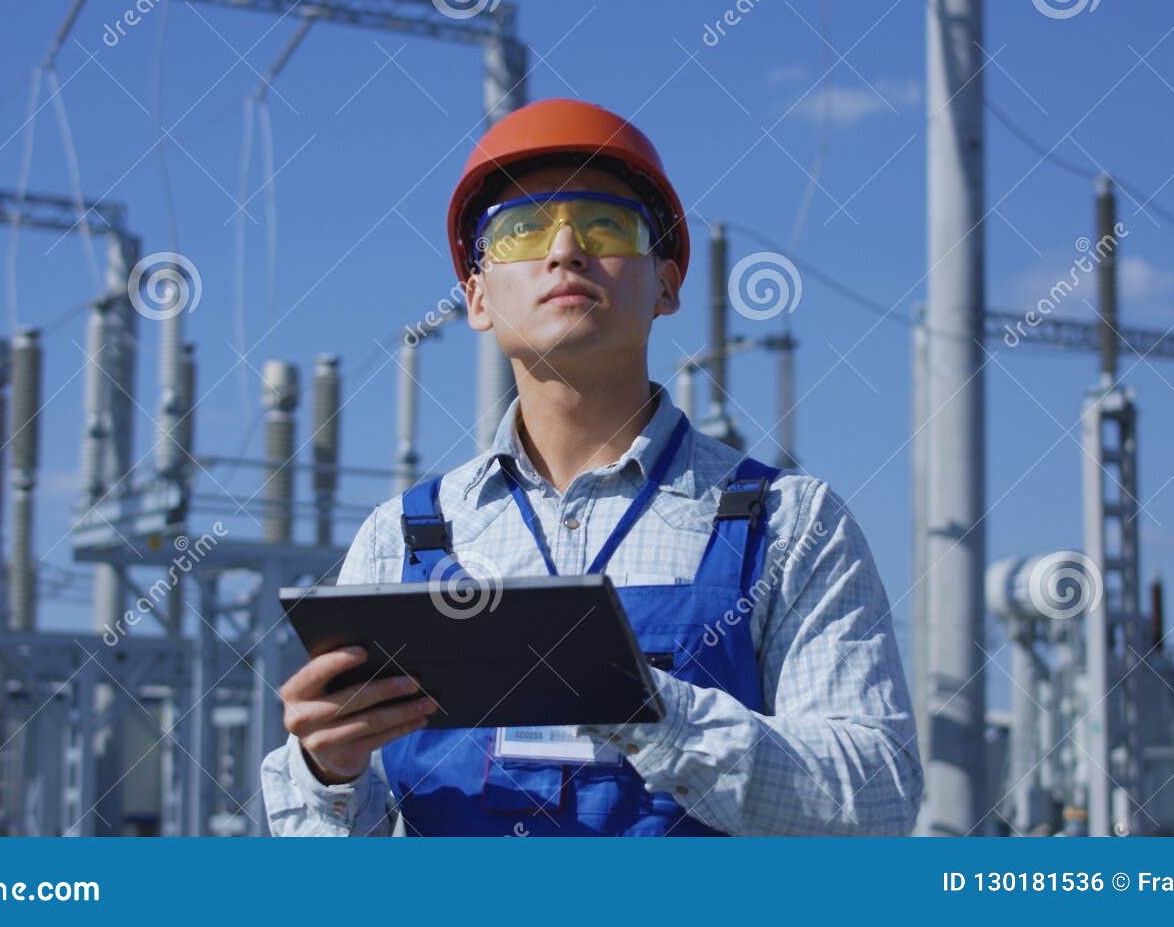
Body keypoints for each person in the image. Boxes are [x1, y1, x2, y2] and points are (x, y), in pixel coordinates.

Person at [259, 98, 922, 836]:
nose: (565, 248)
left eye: (606, 225)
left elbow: (878, 807)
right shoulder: (407, 539)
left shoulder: (789, 525)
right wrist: (328, 776)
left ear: (667, 284)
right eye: (521, 231)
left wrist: (651, 709)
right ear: (476, 297)